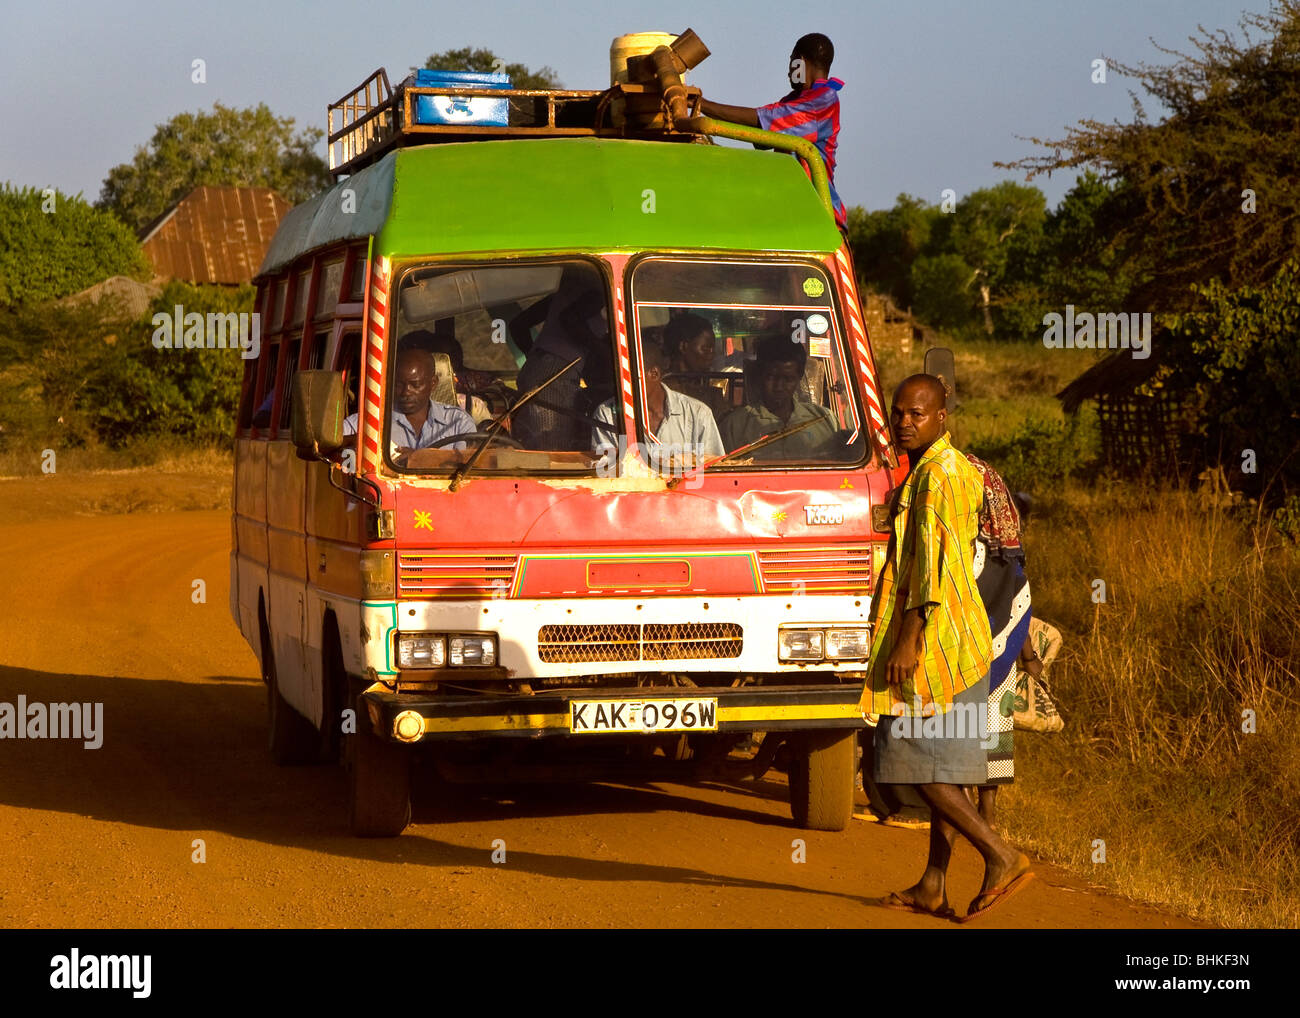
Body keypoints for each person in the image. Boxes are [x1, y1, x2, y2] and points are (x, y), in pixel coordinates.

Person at [862, 374, 1033, 923]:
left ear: (941, 416)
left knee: (916, 762)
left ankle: (1001, 856)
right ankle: (934, 883)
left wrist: (908, 638)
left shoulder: (939, 475)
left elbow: (932, 567)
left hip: (935, 641)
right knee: (947, 766)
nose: (905, 423)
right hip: (960, 637)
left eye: (917, 414)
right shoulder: (944, 470)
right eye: (899, 414)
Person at [698, 33, 847, 231]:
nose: (788, 72)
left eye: (791, 62)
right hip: (795, 213)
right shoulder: (796, 99)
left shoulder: (823, 99)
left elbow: (761, 120)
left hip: (821, 216)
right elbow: (761, 136)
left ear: (800, 62)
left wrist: (702, 105)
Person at [965, 453, 1042, 827]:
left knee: (961, 727)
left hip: (964, 657)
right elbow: (1018, 606)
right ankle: (986, 812)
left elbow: (1014, 606)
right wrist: (1027, 656)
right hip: (1002, 659)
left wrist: (1027, 655)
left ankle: (968, 809)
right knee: (995, 728)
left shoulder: (963, 551)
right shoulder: (1006, 553)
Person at [593, 339, 723, 469]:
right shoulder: (607, 414)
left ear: (654, 374)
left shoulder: (698, 413)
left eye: (626, 377)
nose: (620, 384)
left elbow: (714, 467)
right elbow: (606, 470)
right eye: (616, 377)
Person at [343, 346, 476, 457]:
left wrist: (419, 459)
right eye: (399, 384)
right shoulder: (369, 421)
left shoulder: (458, 422)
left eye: (415, 385)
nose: (406, 392)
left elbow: (470, 465)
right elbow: (326, 443)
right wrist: (360, 440)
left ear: (433, 383)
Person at [718, 336, 837, 459]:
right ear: (760, 375)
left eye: (788, 379)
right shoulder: (736, 425)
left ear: (799, 376)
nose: (779, 387)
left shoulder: (825, 419)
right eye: (772, 377)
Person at [662, 313, 730, 421]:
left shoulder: (710, 391)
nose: (712, 354)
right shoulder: (663, 388)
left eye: (713, 349)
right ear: (683, 347)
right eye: (706, 348)